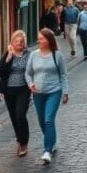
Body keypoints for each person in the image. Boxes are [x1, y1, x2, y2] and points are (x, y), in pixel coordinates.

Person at [25, 28, 69, 165]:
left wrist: (65, 92)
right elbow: (28, 73)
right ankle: (52, 141)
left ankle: (47, 151)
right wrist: (30, 84)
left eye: (42, 38)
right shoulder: (34, 55)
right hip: (38, 93)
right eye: (39, 38)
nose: (39, 41)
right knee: (42, 122)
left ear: (49, 40)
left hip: (54, 91)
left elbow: (63, 74)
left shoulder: (57, 55)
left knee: (49, 120)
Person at [0, 30, 32, 157]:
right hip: (9, 91)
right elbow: (0, 73)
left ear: (25, 43)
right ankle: (19, 138)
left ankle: (24, 143)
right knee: (13, 117)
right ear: (12, 43)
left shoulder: (29, 55)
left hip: (24, 89)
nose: (19, 43)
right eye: (16, 41)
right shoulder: (8, 54)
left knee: (20, 115)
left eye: (21, 41)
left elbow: (34, 70)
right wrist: (8, 58)